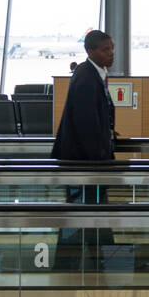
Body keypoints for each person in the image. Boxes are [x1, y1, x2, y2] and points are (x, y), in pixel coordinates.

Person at [52, 30, 118, 270]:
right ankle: (79, 262)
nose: (111, 54)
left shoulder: (92, 72)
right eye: (105, 49)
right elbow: (85, 123)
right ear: (90, 52)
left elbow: (96, 117)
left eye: (111, 48)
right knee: (84, 210)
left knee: (90, 210)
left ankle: (97, 255)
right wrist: (100, 163)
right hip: (82, 162)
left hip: (85, 160)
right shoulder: (86, 78)